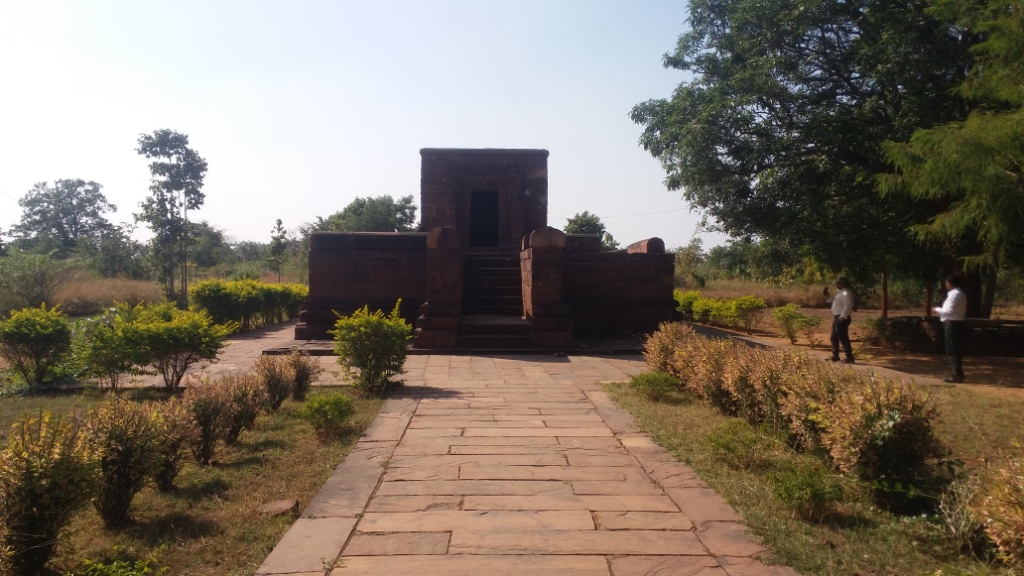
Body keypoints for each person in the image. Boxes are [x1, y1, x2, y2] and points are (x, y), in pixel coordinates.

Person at [933, 275, 967, 383]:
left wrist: (937, 309)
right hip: (957, 323)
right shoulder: (961, 294)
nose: (946, 285)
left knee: (952, 350)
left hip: (952, 324)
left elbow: (949, 311)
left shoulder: (954, 295)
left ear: (950, 284)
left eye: (947, 283)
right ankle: (958, 373)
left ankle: (956, 374)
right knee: (955, 349)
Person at [824, 277, 855, 363]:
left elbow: (848, 305)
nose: (837, 284)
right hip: (837, 317)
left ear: (843, 284)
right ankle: (835, 356)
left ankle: (849, 357)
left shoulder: (846, 293)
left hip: (841, 317)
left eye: (839, 282)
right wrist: (827, 295)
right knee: (834, 337)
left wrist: (843, 317)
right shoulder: (840, 293)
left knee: (843, 337)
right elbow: (835, 302)